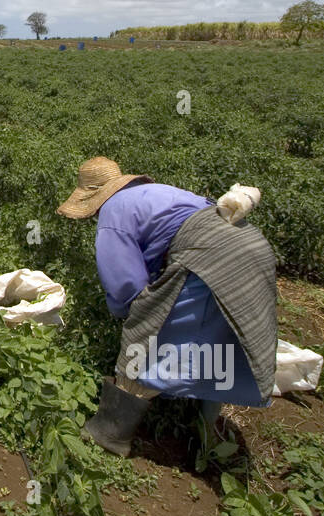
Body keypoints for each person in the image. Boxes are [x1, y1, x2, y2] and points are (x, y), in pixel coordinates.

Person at [57, 157, 278, 457]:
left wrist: (127, 316)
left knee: (147, 338)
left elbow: (127, 289)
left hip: (211, 257)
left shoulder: (113, 212)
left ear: (93, 198)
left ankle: (110, 431)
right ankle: (205, 428)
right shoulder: (157, 193)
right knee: (222, 335)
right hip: (252, 249)